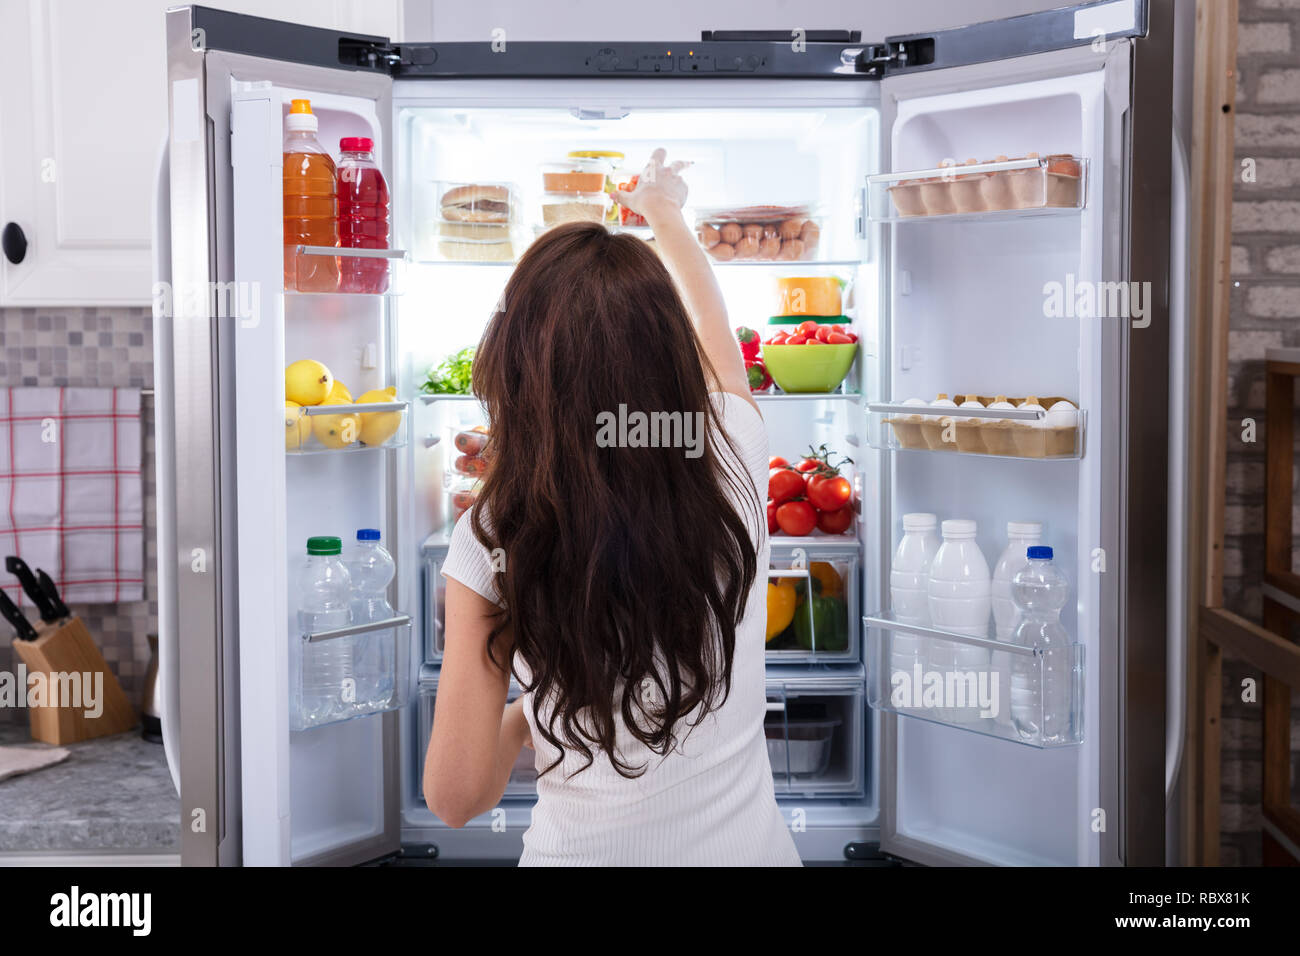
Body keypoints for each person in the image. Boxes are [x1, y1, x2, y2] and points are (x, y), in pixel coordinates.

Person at [423, 149, 800, 866]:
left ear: (514, 361)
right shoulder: (737, 457)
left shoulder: (493, 533)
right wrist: (663, 211)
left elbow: (455, 796)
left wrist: (521, 723)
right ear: (670, 356)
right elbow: (715, 328)